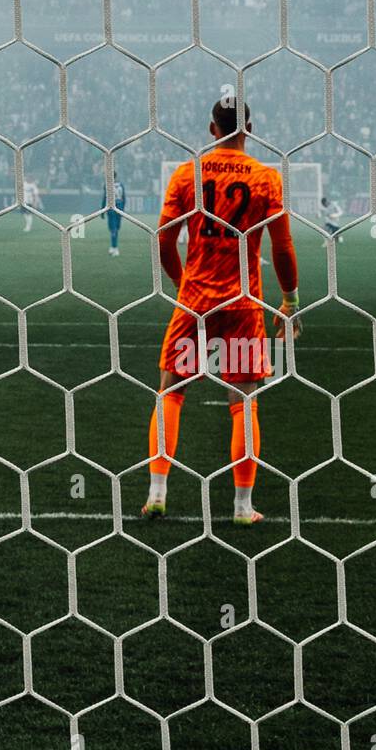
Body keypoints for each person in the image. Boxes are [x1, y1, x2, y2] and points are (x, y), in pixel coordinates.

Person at [143, 98, 300, 527]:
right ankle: (242, 506)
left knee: (171, 391)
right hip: (242, 302)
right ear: (248, 128)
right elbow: (282, 246)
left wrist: (182, 284)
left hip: (194, 301)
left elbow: (163, 240)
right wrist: (290, 302)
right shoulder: (266, 178)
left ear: (212, 128)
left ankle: (157, 494)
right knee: (243, 401)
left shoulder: (187, 173)